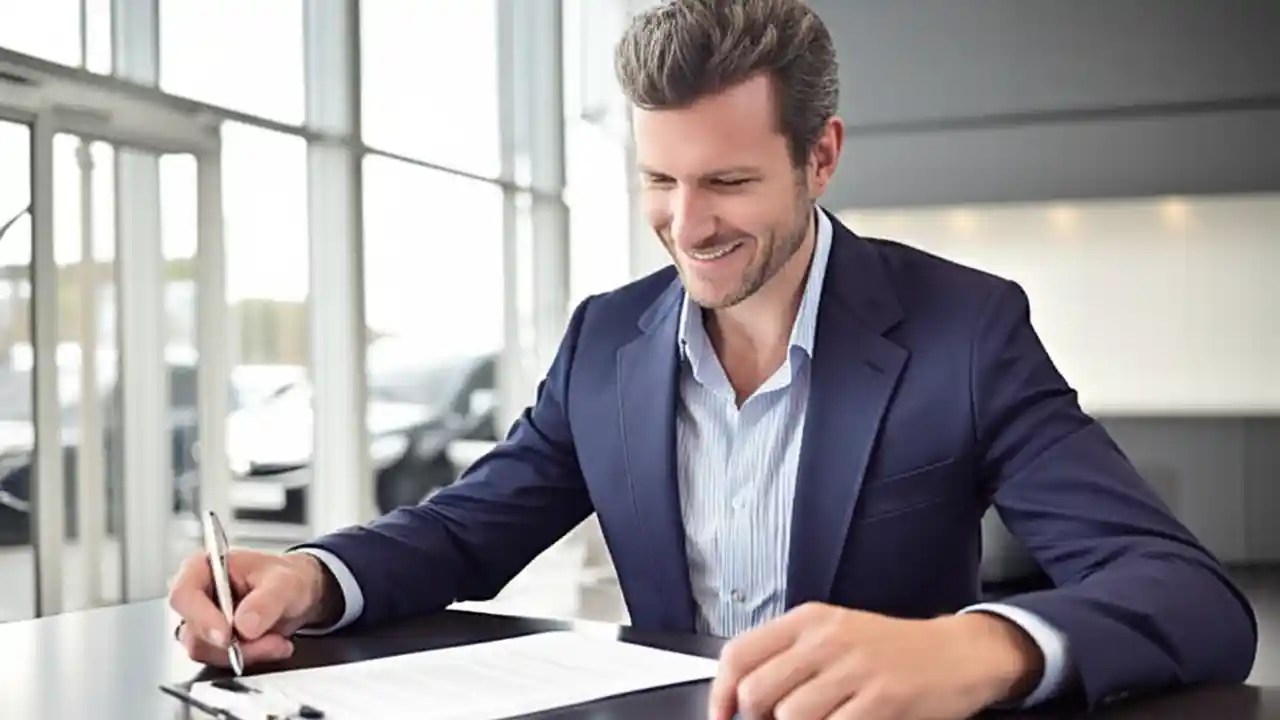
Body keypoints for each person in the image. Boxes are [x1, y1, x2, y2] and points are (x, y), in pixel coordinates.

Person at [169, 1, 1257, 717]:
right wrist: (313, 578)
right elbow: (466, 527)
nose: (685, 225)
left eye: (727, 183)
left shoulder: (962, 329)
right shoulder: (606, 338)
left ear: (818, 157)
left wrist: (974, 652)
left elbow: (1188, 598)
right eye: (658, 180)